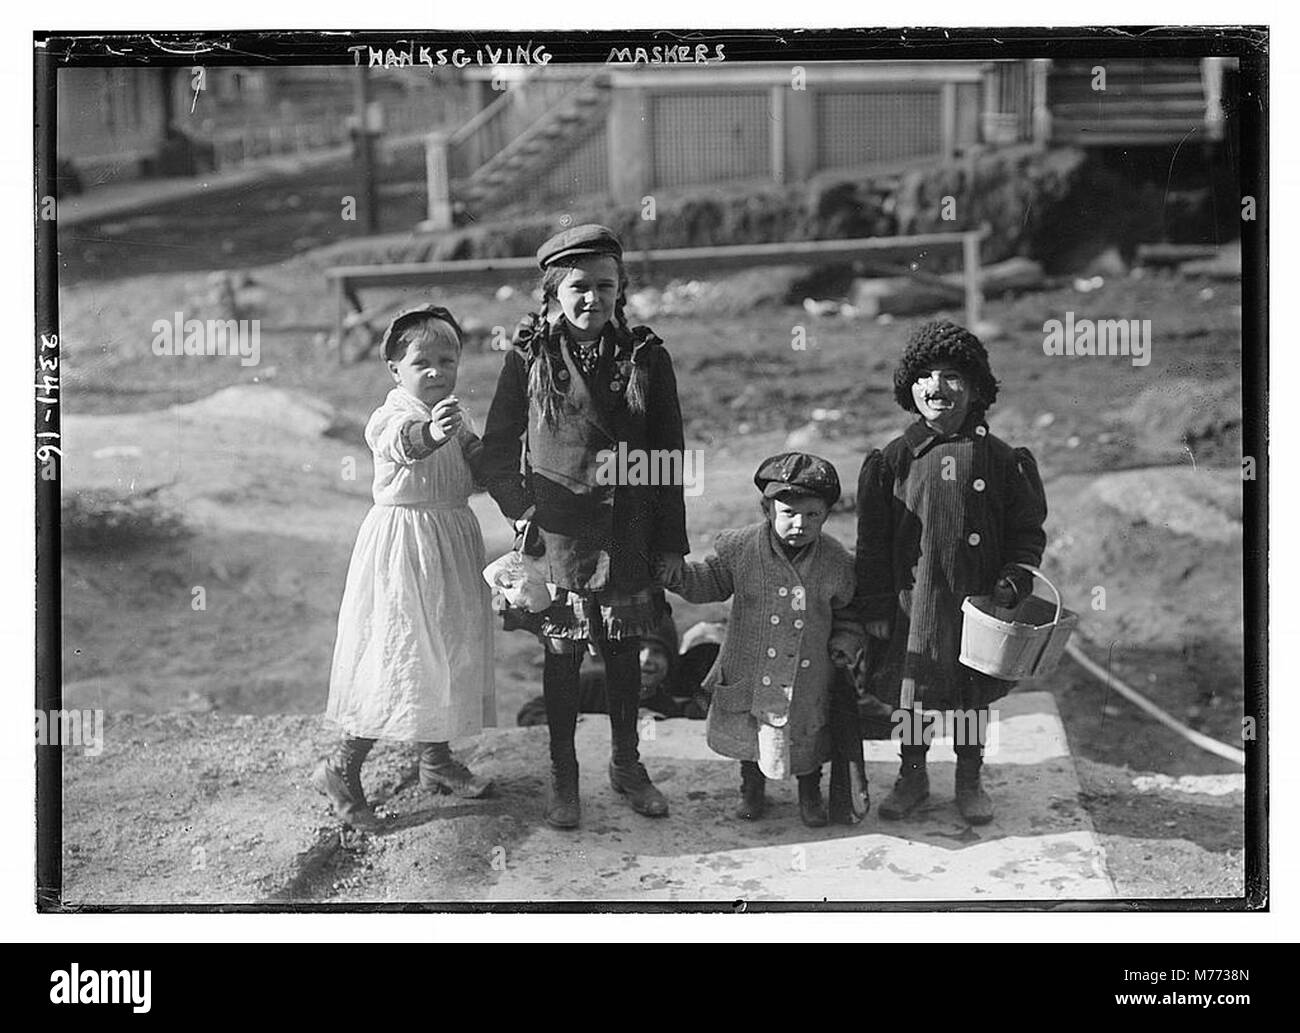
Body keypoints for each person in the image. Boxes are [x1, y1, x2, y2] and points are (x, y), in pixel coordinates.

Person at [481, 224, 690, 830]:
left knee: (624, 654)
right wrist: (521, 508)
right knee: (563, 657)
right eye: (578, 287)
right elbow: (496, 449)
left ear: (621, 289)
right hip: (560, 537)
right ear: (553, 292)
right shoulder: (530, 357)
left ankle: (627, 766)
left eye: (605, 285)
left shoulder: (646, 355)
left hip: (628, 529)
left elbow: (668, 455)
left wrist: (670, 543)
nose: (591, 299)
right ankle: (563, 776)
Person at [853, 319, 1047, 824]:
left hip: (977, 603)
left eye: (952, 376)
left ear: (977, 387)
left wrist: (1015, 576)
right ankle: (911, 776)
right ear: (908, 387)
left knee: (970, 696)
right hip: (913, 604)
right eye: (925, 376)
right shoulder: (892, 461)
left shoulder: (1001, 460)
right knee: (911, 695)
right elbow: (871, 544)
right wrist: (874, 606)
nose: (937, 387)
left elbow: (1027, 532)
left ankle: (968, 778)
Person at [312, 304, 496, 831]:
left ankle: (435, 761)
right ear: (396, 369)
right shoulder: (390, 416)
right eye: (423, 362)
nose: (436, 371)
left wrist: (504, 466)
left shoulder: (456, 416)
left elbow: (479, 472)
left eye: (448, 359)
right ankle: (341, 768)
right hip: (404, 546)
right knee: (401, 654)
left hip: (452, 537)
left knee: (446, 648)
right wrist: (435, 434)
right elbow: (406, 445)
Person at [659, 453, 865, 827]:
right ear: (766, 509)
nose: (799, 524)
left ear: (826, 515)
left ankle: (809, 793)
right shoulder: (741, 550)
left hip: (807, 673)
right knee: (751, 735)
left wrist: (846, 642)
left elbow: (850, 613)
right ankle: (751, 790)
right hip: (750, 669)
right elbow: (708, 581)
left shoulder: (835, 561)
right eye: (788, 512)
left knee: (807, 735)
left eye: (812, 514)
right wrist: (676, 576)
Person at [514, 610, 723, 725]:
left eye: (657, 652)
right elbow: (530, 712)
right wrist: (583, 723)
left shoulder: (665, 703)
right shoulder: (593, 684)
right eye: (639, 649)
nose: (646, 659)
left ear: (671, 662)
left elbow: (653, 743)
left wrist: (647, 724)